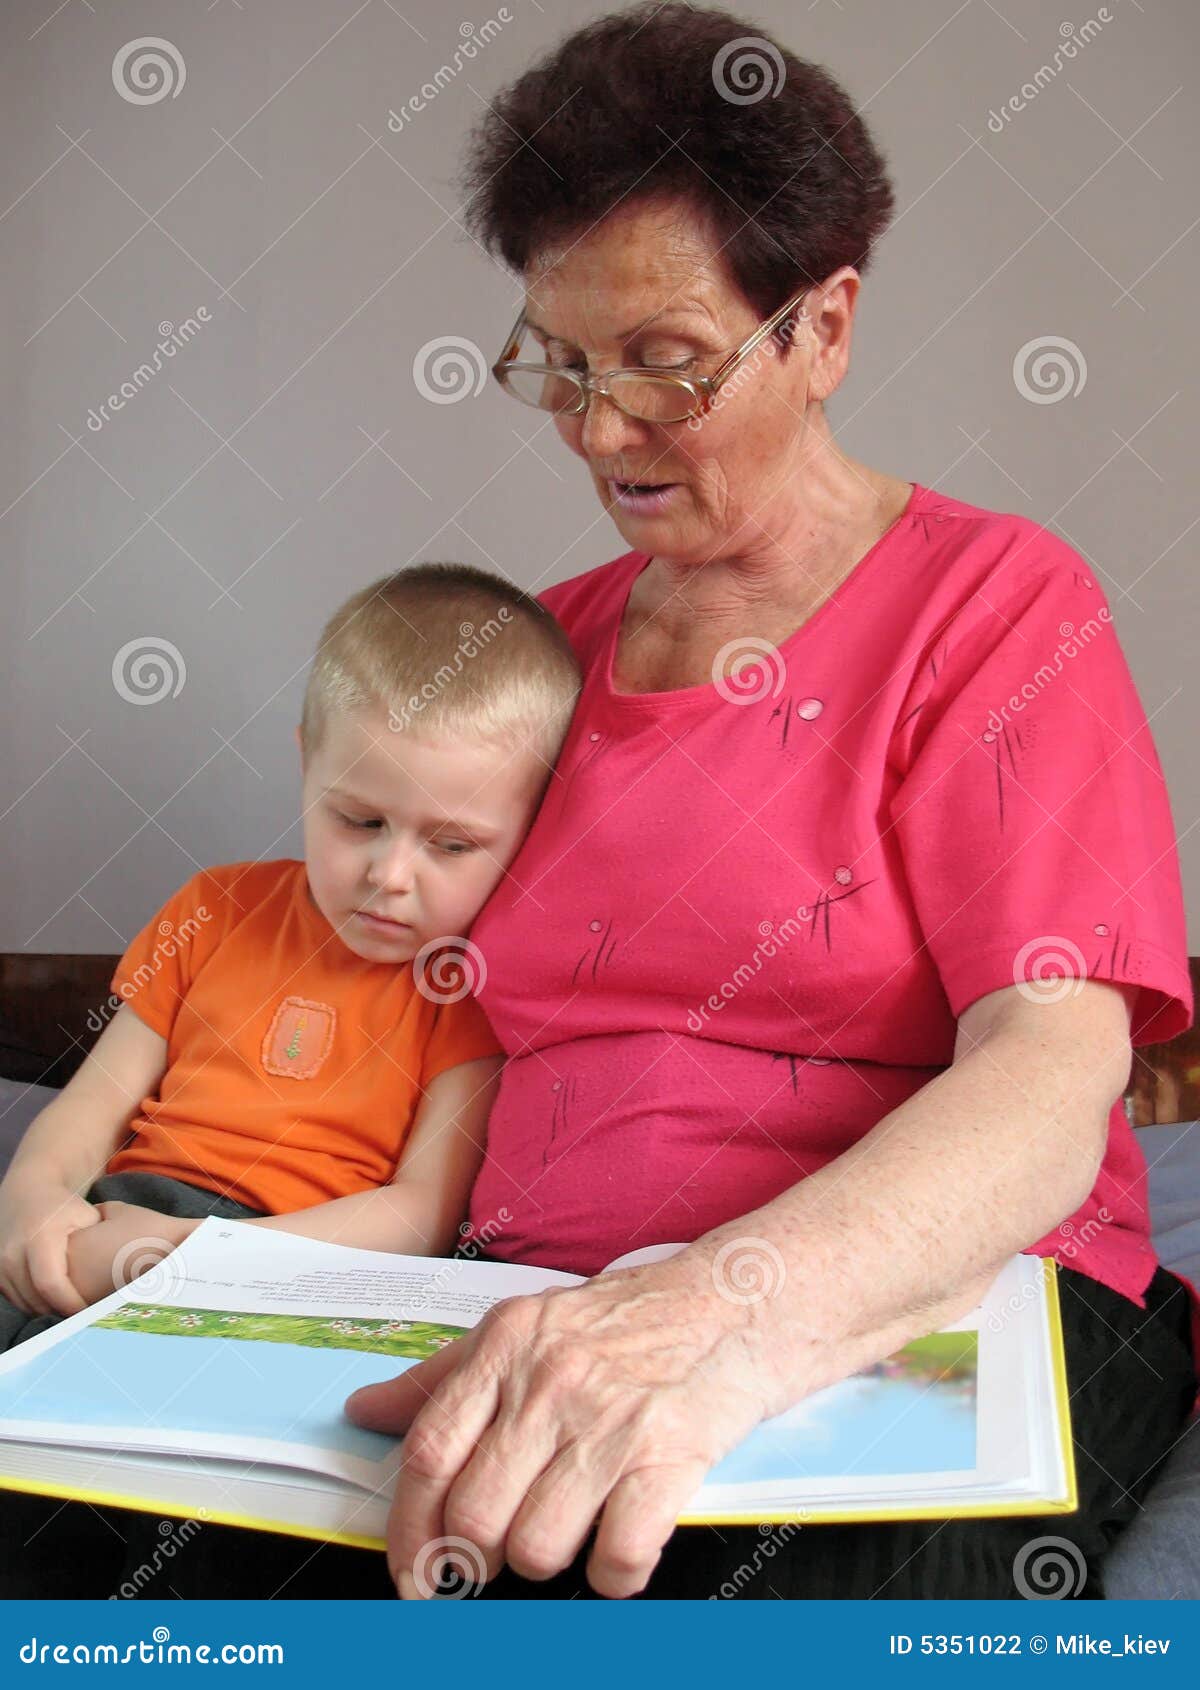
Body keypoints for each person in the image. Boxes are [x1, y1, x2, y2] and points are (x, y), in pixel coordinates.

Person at [338, 4, 1198, 1601]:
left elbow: (1057, 1053)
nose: (601, 431)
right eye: (562, 363)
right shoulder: (536, 650)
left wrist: (715, 1314)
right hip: (535, 1293)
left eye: (664, 366)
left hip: (936, 1289)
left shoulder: (995, 604)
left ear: (823, 330)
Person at [0, 563, 581, 1346]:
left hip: (300, 1264)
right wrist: (34, 1197)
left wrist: (194, 1260)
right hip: (121, 1207)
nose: (391, 876)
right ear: (307, 763)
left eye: (451, 844)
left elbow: (421, 1213)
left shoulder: (475, 981)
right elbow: (92, 1106)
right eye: (360, 821)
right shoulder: (214, 909)